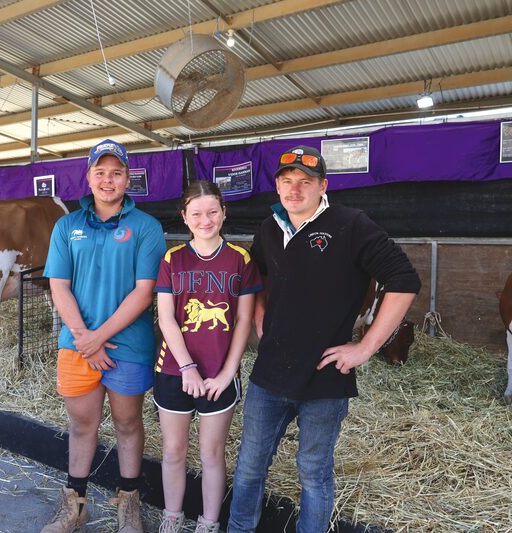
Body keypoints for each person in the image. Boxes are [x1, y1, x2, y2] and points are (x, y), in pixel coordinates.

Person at [227, 146, 421, 533]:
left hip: (325, 377)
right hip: (269, 375)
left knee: (313, 474)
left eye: (305, 181)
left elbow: (404, 280)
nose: (294, 189)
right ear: (277, 186)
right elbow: (256, 275)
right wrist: (261, 315)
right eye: (287, 181)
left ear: (323, 186)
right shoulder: (269, 228)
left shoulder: (350, 224)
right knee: (249, 466)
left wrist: (367, 347)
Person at [42, 139, 166, 533]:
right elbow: (59, 286)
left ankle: (129, 503)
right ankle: (74, 506)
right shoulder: (67, 226)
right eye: (100, 172)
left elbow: (144, 292)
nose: (108, 180)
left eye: (116, 173)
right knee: (82, 425)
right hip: (76, 344)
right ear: (89, 177)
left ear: (128, 179)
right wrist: (85, 338)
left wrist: (99, 338)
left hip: (128, 344)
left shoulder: (146, 227)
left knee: (127, 423)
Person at [154, 181, 262, 533]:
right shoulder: (172, 258)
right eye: (197, 213)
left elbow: (243, 320)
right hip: (175, 370)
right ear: (185, 217)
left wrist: (228, 373)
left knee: (212, 453)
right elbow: (166, 318)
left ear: (224, 214)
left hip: (219, 373)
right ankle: (172, 517)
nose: (206, 220)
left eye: (213, 212)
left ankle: (209, 522)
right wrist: (187, 367)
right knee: (174, 450)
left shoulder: (240, 259)